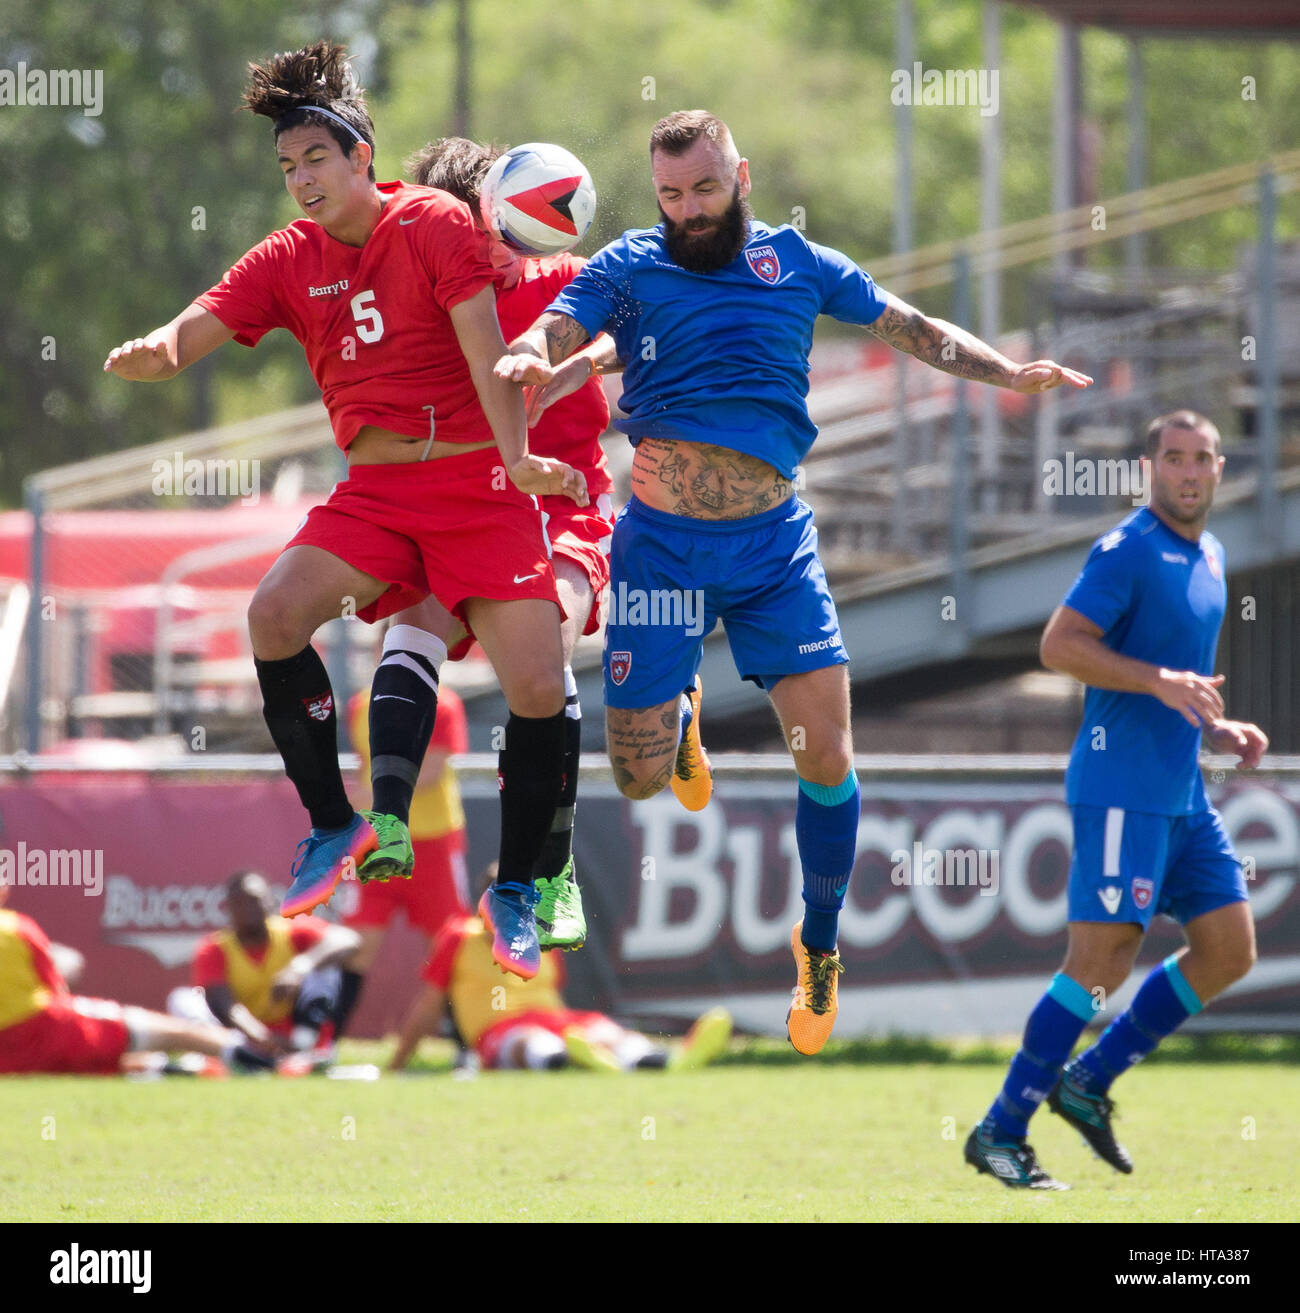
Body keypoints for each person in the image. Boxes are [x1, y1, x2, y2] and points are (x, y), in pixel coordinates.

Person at [494, 109, 1092, 1054]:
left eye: (704, 188)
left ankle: (817, 952)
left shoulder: (798, 262)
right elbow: (563, 322)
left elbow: (911, 326)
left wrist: (1008, 373)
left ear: (741, 171)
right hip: (661, 550)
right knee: (640, 779)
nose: (688, 209)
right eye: (671, 195)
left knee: (827, 756)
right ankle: (681, 713)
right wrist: (535, 351)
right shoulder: (632, 262)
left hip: (774, 549)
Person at [101, 41, 584, 982]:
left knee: (536, 689)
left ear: (363, 154)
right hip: (378, 493)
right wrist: (154, 350)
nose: (302, 181)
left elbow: (488, 353)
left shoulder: (437, 221)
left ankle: (519, 886)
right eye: (287, 168)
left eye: (316, 158)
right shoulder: (288, 257)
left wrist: (522, 462)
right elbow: (187, 331)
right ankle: (333, 821)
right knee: (273, 614)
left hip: (479, 485)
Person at [964, 411, 1266, 1189]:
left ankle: (1090, 1078)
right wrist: (1161, 681)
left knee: (1230, 949)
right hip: (1121, 790)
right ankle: (1000, 1131)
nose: (1189, 471)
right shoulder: (1128, 548)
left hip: (1182, 793)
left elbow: (1170, 679)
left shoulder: (1211, 554)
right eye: (1174, 458)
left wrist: (1213, 724)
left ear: (1220, 469)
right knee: (1098, 965)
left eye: (1202, 458)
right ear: (1149, 468)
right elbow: (1059, 644)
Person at [348, 137, 619, 955]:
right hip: (467, 504)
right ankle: (385, 822)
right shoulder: (422, 298)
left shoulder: (564, 280)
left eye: (467, 232)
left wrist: (575, 365)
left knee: (546, 659)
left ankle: (550, 869)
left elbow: (633, 335)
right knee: (413, 622)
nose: (458, 251)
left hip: (563, 503)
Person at [389, 866, 732, 1073]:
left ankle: (664, 1061)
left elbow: (553, 995)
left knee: (605, 1033)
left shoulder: (541, 938)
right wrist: (398, 1064)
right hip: (499, 1029)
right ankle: (577, 1062)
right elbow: (428, 1005)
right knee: (534, 1045)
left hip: (558, 1022)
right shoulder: (458, 936)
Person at [0, 883, 271, 1075]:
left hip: (8, 1059)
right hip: (45, 1029)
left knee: (97, 1064)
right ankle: (263, 1062)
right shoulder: (15, 927)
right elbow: (56, 989)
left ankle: (180, 1069)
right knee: (168, 1030)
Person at [338, 681, 471, 1034]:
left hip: (433, 842)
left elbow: (434, 769)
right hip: (376, 842)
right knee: (357, 945)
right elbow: (365, 766)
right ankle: (323, 1043)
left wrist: (375, 797)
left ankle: (463, 1046)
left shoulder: (443, 703)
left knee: (447, 945)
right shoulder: (359, 704)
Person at [170, 872, 360, 1062]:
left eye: (254, 900)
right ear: (228, 908)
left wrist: (300, 967)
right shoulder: (214, 949)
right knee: (182, 999)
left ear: (269, 901)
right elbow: (225, 1007)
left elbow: (348, 939)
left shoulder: (290, 932)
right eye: (239, 902)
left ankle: (308, 1050)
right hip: (241, 1035)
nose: (247, 909)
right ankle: (230, 1055)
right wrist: (262, 1038)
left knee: (326, 966)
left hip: (291, 1032)